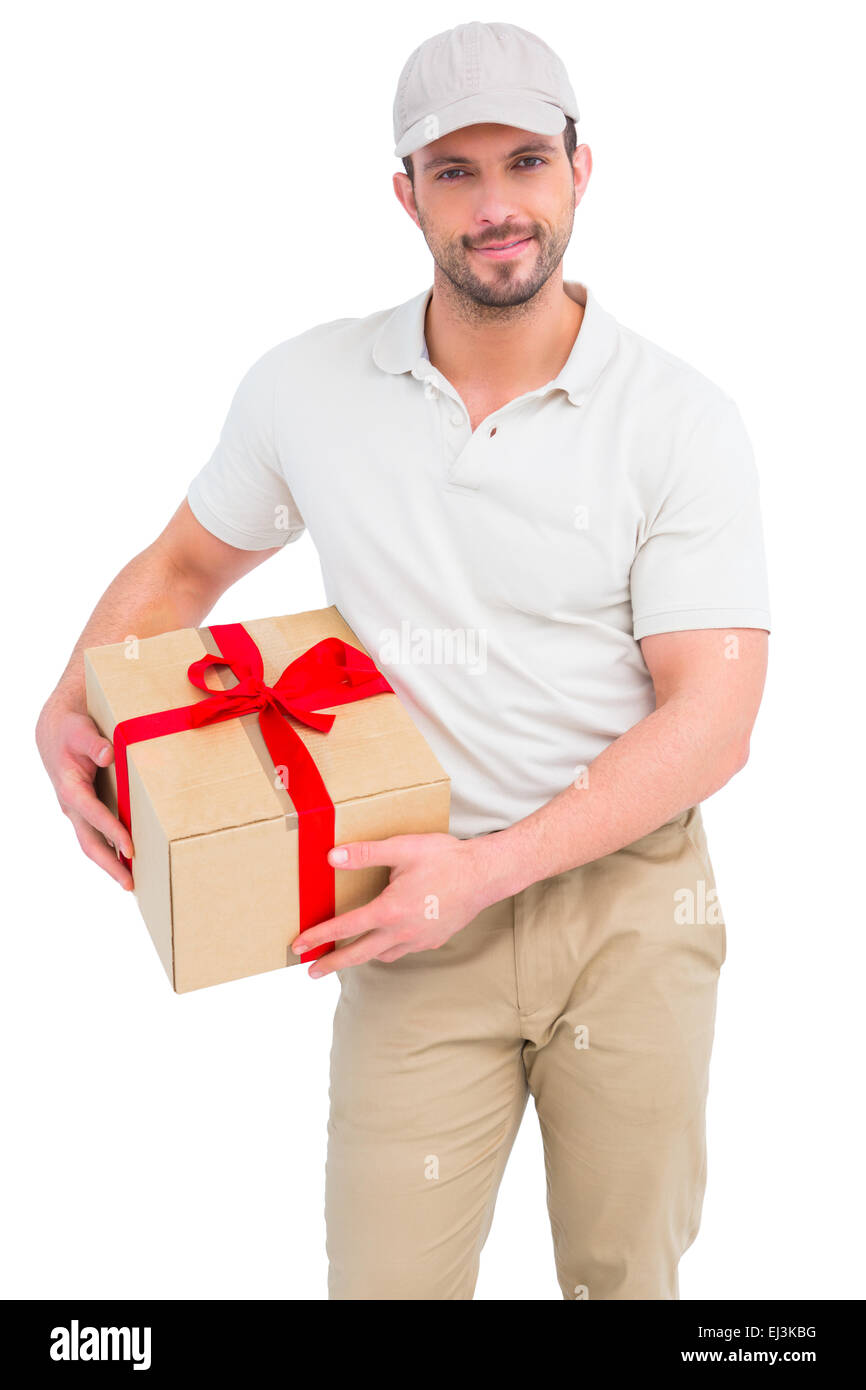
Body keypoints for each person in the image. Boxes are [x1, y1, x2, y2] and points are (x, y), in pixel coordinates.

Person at [35, 21, 771, 1300]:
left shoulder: (679, 422)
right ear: (404, 193)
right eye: (454, 171)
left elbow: (711, 717)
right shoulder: (307, 388)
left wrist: (485, 870)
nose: (496, 207)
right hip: (405, 916)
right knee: (384, 1288)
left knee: (624, 1281)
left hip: (629, 907)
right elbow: (182, 569)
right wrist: (65, 698)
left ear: (580, 171)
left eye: (525, 162)